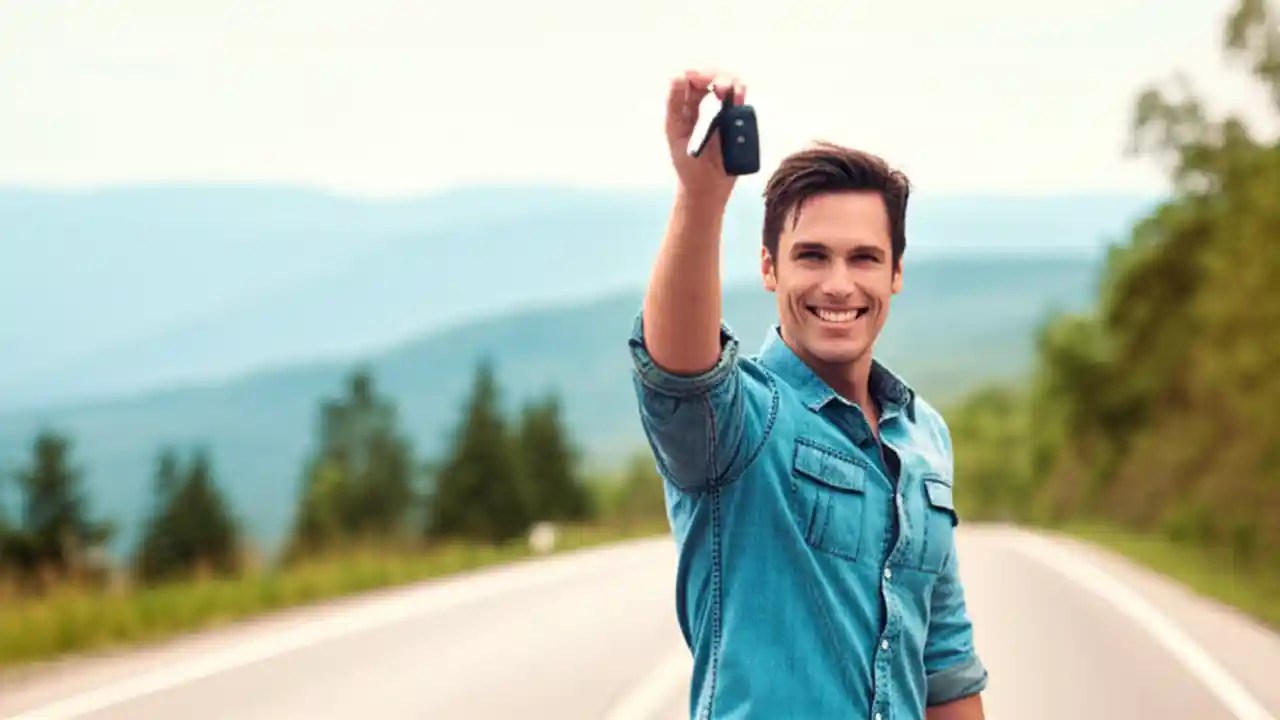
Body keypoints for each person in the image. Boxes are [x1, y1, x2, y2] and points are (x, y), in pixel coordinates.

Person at [627, 68, 989, 719]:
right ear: (770, 268)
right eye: (812, 256)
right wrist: (701, 199)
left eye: (864, 258)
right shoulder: (743, 422)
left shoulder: (924, 434)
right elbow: (679, 372)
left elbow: (945, 664)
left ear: (897, 272)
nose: (839, 284)